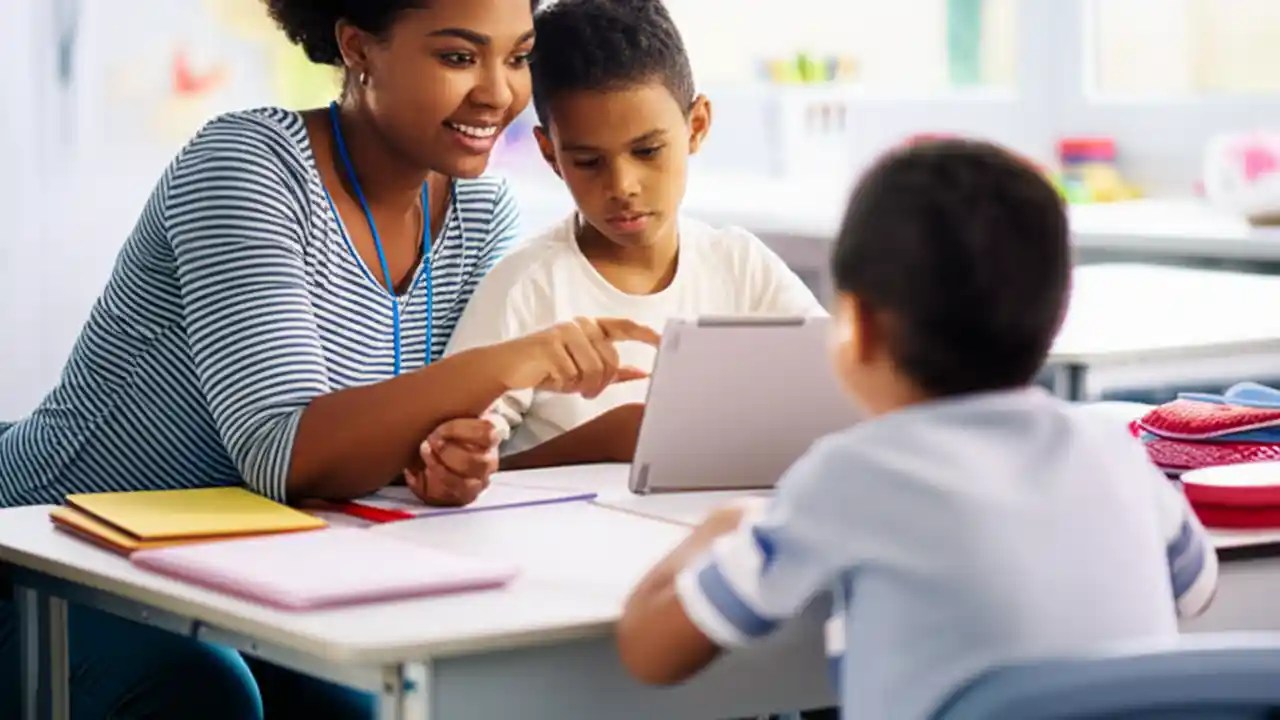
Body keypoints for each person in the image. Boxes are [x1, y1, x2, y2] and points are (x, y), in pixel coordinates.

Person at [0, 1, 659, 717]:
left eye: (518, 56)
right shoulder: (247, 167)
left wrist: (453, 456)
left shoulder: (480, 211)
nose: (498, 92)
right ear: (359, 48)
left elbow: (420, 438)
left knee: (368, 702)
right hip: (48, 549)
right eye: (459, 57)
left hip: (244, 561)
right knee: (200, 695)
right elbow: (284, 452)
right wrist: (509, 362)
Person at [614, 140, 1219, 719]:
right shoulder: (1114, 451)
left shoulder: (848, 477)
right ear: (1057, 315)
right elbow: (1197, 590)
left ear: (860, 325)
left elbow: (649, 653)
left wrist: (719, 530)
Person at [445, 0, 823, 470]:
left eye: (647, 151)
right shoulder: (525, 287)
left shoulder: (742, 267)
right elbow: (460, 462)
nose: (622, 186)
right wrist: (603, 443)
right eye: (588, 162)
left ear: (697, 126)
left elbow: (832, 396)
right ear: (550, 154)